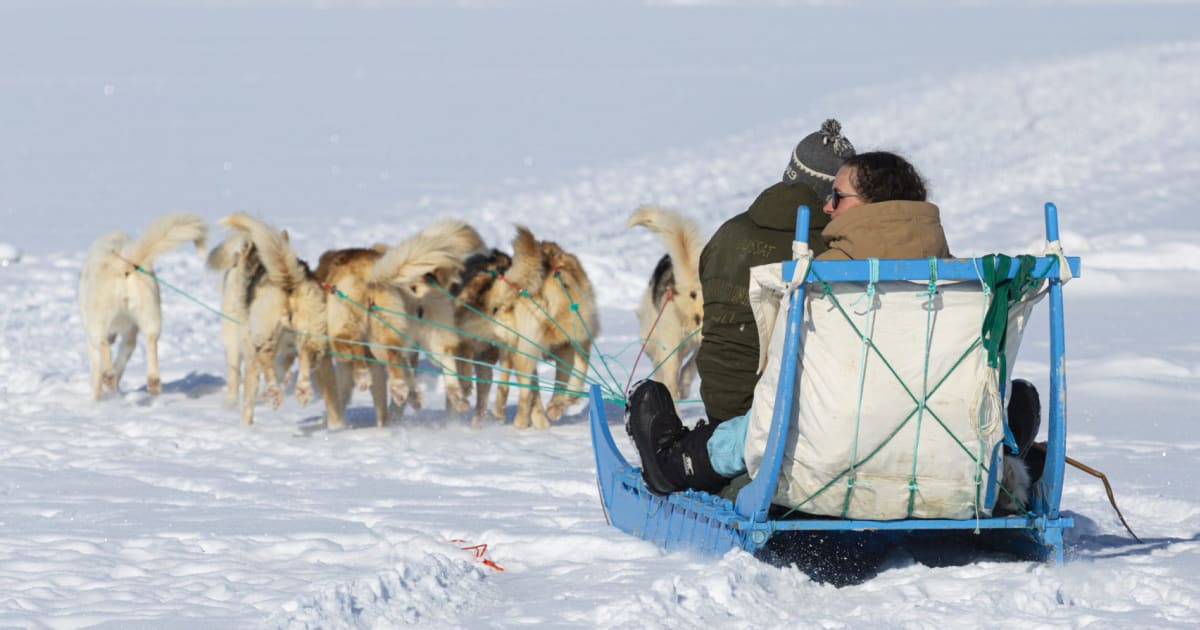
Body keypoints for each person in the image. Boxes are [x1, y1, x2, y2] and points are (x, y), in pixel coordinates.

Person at [627, 150, 1042, 496]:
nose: (826, 207)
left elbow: (779, 392)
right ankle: (1004, 454)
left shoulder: (818, 279)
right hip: (940, 448)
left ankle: (678, 463)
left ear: (872, 207)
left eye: (837, 197)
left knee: (771, 416)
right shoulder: (967, 283)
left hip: (828, 451)